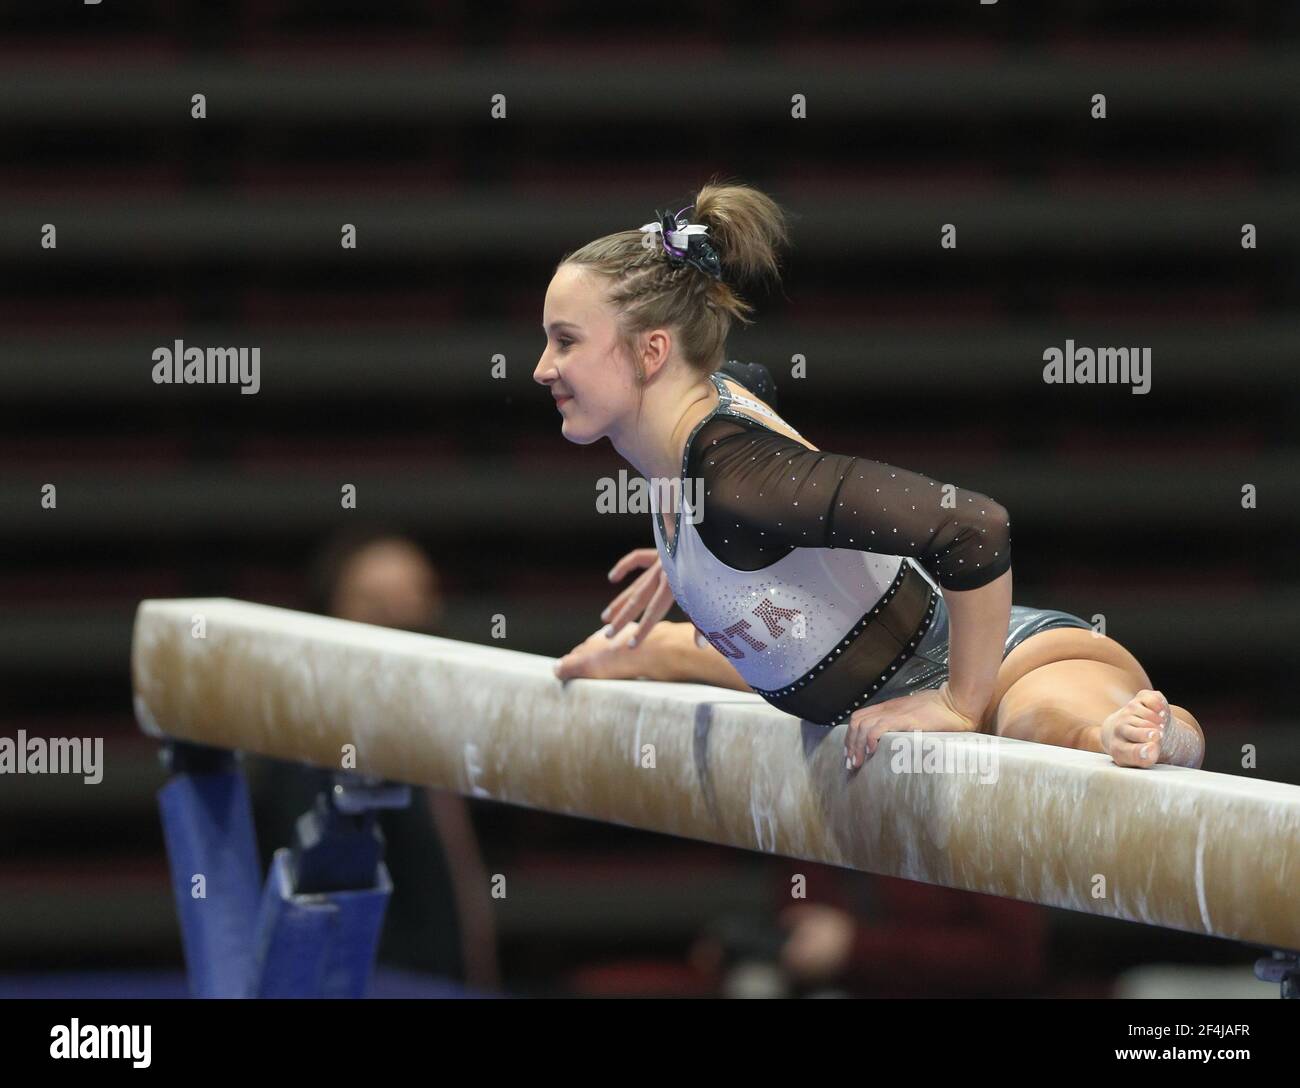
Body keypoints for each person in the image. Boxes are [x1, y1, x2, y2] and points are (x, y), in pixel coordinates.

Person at [535, 180, 1205, 770]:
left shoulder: (739, 483)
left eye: (565, 341)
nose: (542, 368)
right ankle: (672, 651)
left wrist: (961, 703)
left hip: (1011, 661)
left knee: (1065, 739)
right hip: (875, 667)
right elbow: (751, 384)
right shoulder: (704, 438)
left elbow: (973, 525)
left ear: (652, 351)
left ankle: (1155, 734)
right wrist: (699, 557)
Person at [251, 526, 499, 990]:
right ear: (329, 616)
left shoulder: (444, 735)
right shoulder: (307, 748)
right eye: (378, 608)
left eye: (416, 602)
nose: (404, 622)